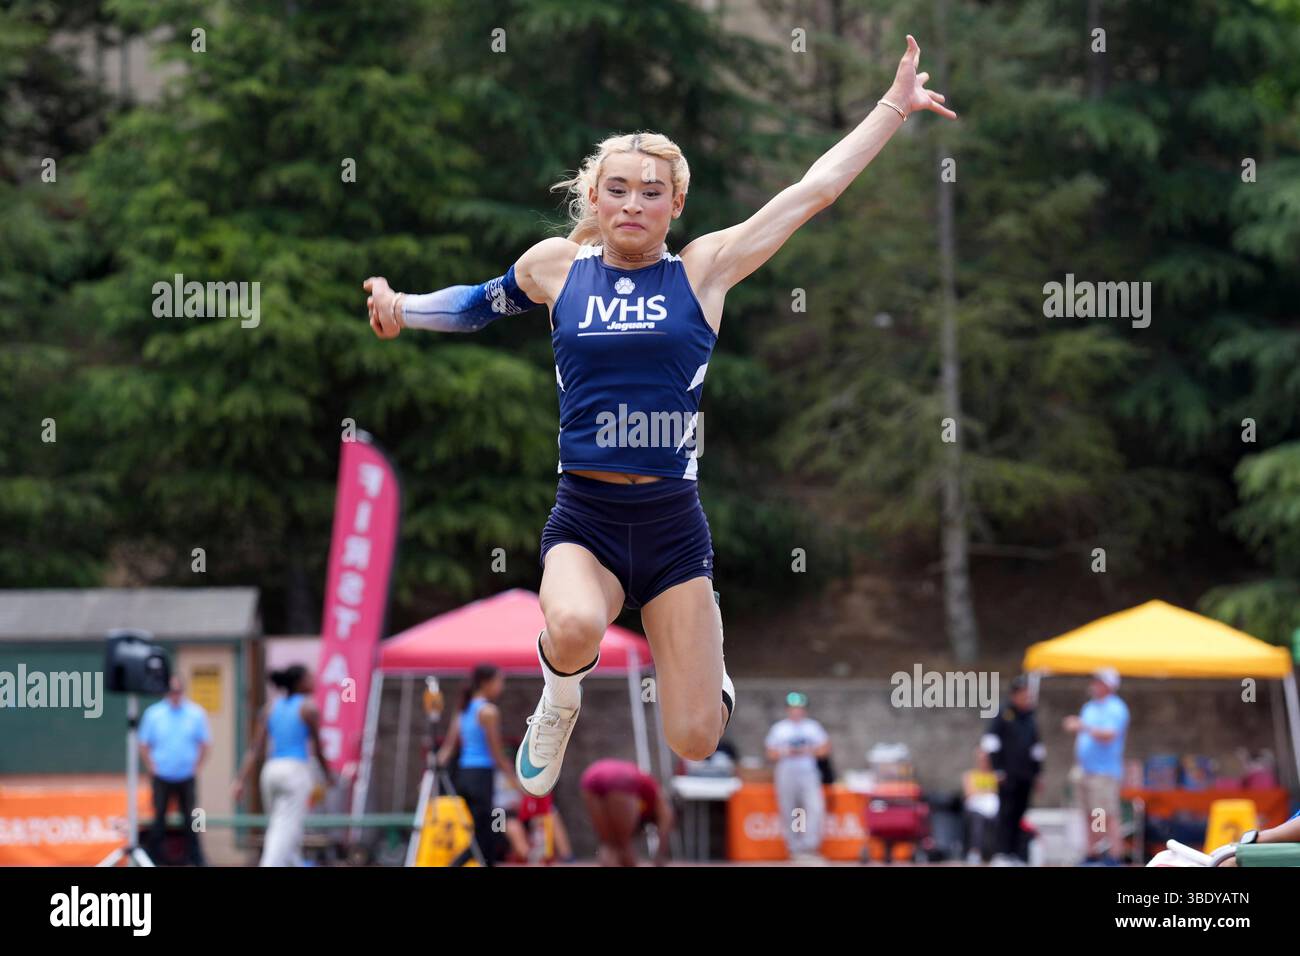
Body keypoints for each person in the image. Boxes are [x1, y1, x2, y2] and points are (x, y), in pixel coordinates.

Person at [363, 35, 956, 799]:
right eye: (617, 189)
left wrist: (891, 108)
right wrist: (400, 309)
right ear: (594, 199)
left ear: (676, 204)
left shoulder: (704, 268)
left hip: (673, 523)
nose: (632, 204)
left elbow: (815, 190)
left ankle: (712, 677)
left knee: (693, 738)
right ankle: (561, 696)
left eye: (651, 192)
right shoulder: (557, 267)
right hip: (587, 512)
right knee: (573, 626)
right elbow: (476, 305)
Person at [232, 665, 335, 867]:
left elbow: (254, 748)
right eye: (309, 678)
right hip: (294, 772)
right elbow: (319, 750)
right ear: (300, 683)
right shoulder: (308, 708)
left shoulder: (270, 707)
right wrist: (328, 776)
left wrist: (239, 780)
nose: (314, 681)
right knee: (285, 831)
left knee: (284, 829)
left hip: (271, 772)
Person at [436, 664, 518, 865]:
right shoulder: (488, 711)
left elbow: (448, 747)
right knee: (484, 836)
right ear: (486, 683)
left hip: (464, 778)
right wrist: (515, 781)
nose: (501, 687)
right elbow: (496, 752)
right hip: (481, 777)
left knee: (486, 832)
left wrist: (434, 768)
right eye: (499, 682)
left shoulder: (463, 709)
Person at [139, 675, 211, 865]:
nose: (175, 695)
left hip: (186, 775)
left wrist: (196, 766)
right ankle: (155, 859)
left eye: (178, 691)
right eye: (172, 691)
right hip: (162, 774)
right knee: (159, 816)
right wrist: (151, 766)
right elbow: (144, 744)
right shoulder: (154, 714)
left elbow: (204, 743)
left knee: (193, 817)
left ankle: (196, 857)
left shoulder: (196, 713)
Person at [1063, 667, 1129, 864]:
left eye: (1099, 681)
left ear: (1109, 685)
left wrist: (1082, 726)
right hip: (1086, 771)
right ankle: (1092, 853)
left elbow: (1109, 734)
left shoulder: (1116, 708)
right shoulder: (1090, 707)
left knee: (1103, 815)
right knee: (1089, 815)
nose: (1094, 685)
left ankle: (1110, 855)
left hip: (1103, 773)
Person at [979, 674, 1045, 865]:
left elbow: (1036, 748)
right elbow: (990, 743)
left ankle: (1016, 853)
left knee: (1020, 813)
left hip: (1026, 775)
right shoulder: (1003, 713)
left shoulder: (1030, 716)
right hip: (1007, 775)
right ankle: (1002, 853)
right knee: (1006, 814)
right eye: (1024, 694)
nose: (1027, 698)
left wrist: (1038, 773)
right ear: (1015, 695)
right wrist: (997, 769)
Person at [765, 691, 831, 861]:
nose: (796, 711)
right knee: (790, 810)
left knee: (814, 807)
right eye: (793, 708)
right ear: (788, 710)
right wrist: (787, 751)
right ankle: (793, 847)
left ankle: (810, 845)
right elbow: (770, 754)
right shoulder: (779, 728)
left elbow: (824, 750)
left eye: (799, 708)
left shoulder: (813, 727)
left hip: (808, 773)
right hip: (786, 772)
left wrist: (806, 750)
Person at [579, 758, 675, 866]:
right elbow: (664, 831)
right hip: (621, 778)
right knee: (623, 844)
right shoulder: (662, 802)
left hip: (591, 776)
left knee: (608, 843)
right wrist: (660, 857)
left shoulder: (650, 798)